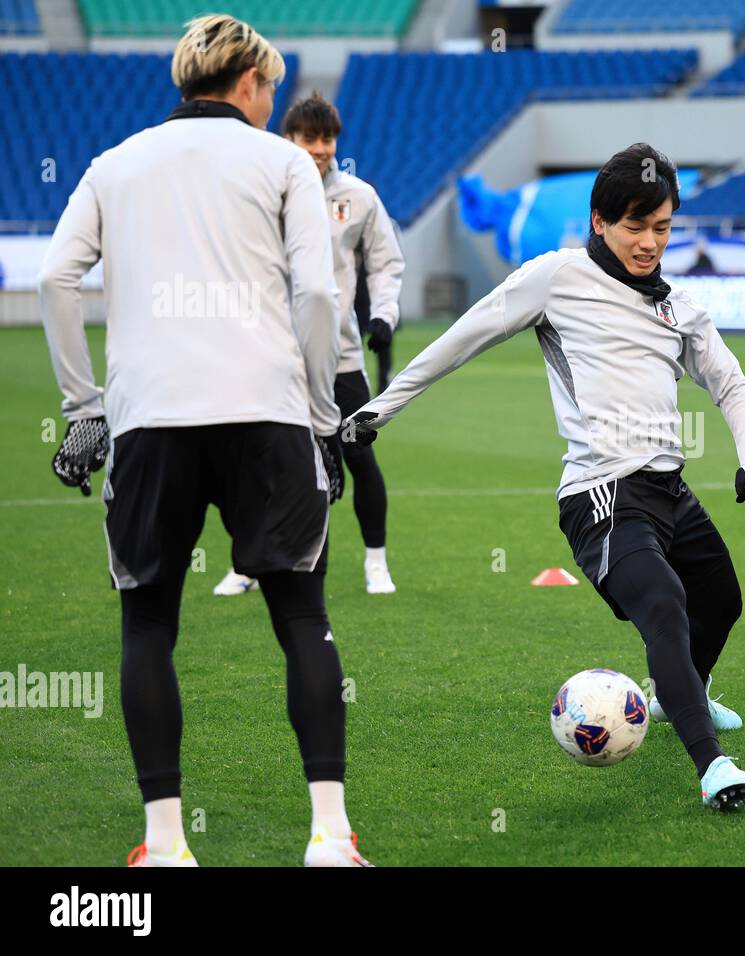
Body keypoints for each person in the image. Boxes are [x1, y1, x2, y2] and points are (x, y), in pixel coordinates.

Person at [342, 144, 745, 811]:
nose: (649, 242)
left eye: (662, 227)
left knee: (723, 601)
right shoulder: (558, 277)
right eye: (636, 226)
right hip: (601, 496)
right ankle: (712, 767)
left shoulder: (679, 305)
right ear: (600, 221)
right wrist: (381, 407)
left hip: (669, 491)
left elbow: (731, 382)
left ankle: (673, 695)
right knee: (663, 604)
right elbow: (466, 336)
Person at [39, 14, 370, 866]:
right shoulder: (284, 162)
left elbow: (55, 276)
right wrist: (323, 416)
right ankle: (330, 836)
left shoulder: (117, 163)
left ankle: (167, 845)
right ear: (253, 84)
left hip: (150, 415)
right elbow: (318, 298)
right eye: (271, 87)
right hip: (264, 410)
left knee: (148, 626)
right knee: (301, 612)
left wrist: (83, 406)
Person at [213, 92, 404, 597]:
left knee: (359, 457)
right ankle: (249, 563)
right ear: (288, 139)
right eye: (309, 138)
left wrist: (383, 315)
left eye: (328, 138)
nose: (320, 148)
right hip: (273, 352)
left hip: (340, 357)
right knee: (258, 459)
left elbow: (386, 262)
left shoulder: (359, 197)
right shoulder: (263, 193)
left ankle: (376, 563)